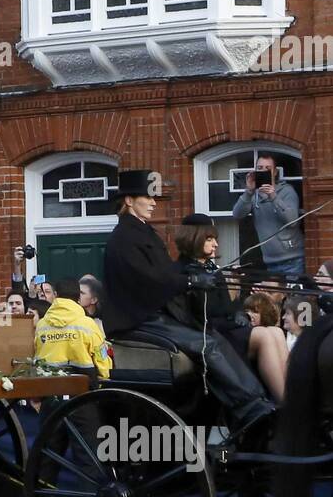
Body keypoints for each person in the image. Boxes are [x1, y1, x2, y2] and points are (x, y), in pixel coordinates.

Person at [102, 169, 275, 436]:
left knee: (211, 336)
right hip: (137, 319)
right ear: (128, 201)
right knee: (206, 343)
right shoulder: (124, 237)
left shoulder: (142, 232)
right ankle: (249, 405)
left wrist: (194, 278)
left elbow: (164, 275)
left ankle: (255, 401)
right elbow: (152, 280)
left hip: (151, 313)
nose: (153, 203)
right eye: (147, 197)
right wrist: (191, 281)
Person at [174, 214, 288, 402]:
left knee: (275, 331)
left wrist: (239, 314)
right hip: (211, 337)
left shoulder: (212, 269)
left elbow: (226, 307)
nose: (216, 244)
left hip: (226, 330)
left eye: (215, 239)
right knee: (264, 335)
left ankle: (288, 395)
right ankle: (283, 402)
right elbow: (199, 318)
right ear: (193, 238)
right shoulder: (182, 272)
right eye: (209, 239)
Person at [232, 154, 305, 279]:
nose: (263, 171)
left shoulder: (287, 191)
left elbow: (292, 221)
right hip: (270, 261)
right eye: (260, 168)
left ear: (275, 172)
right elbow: (237, 214)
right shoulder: (253, 195)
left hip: (292, 259)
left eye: (267, 168)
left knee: (293, 297)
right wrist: (248, 192)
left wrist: (274, 197)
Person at [34, 277, 111, 379]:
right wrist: (104, 378)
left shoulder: (41, 325)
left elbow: (37, 355)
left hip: (48, 387)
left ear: (56, 294)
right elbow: (102, 360)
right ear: (78, 297)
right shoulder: (89, 325)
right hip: (83, 389)